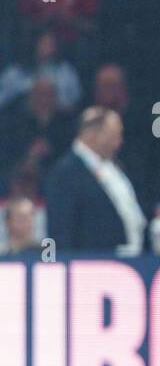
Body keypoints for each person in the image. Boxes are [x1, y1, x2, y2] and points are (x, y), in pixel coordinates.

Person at [43, 106, 146, 255]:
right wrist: (63, 264)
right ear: (92, 133)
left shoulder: (114, 168)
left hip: (132, 259)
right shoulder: (66, 173)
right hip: (93, 266)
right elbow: (60, 230)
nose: (119, 142)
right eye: (114, 135)